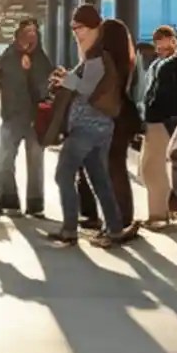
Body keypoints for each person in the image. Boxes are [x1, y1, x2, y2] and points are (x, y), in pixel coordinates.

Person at [46, 16, 136, 248]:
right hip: (102, 126)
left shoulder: (97, 58)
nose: (77, 33)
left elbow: (87, 88)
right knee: (100, 179)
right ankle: (115, 228)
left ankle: (69, 229)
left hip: (87, 126)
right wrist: (67, 79)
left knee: (63, 175)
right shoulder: (112, 60)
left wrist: (69, 80)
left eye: (81, 28)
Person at [0, 18, 53, 217]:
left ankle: (35, 205)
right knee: (4, 161)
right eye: (27, 32)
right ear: (18, 35)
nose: (31, 36)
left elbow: (50, 83)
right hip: (12, 116)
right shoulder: (8, 55)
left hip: (36, 119)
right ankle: (9, 200)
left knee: (36, 163)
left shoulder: (42, 58)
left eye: (34, 32)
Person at [139, 25, 177, 230]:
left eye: (163, 40)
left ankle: (158, 214)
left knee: (153, 169)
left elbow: (162, 95)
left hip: (161, 121)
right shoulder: (159, 63)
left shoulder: (173, 64)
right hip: (153, 121)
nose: (159, 45)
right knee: (149, 168)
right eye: (157, 41)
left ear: (174, 41)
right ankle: (159, 212)